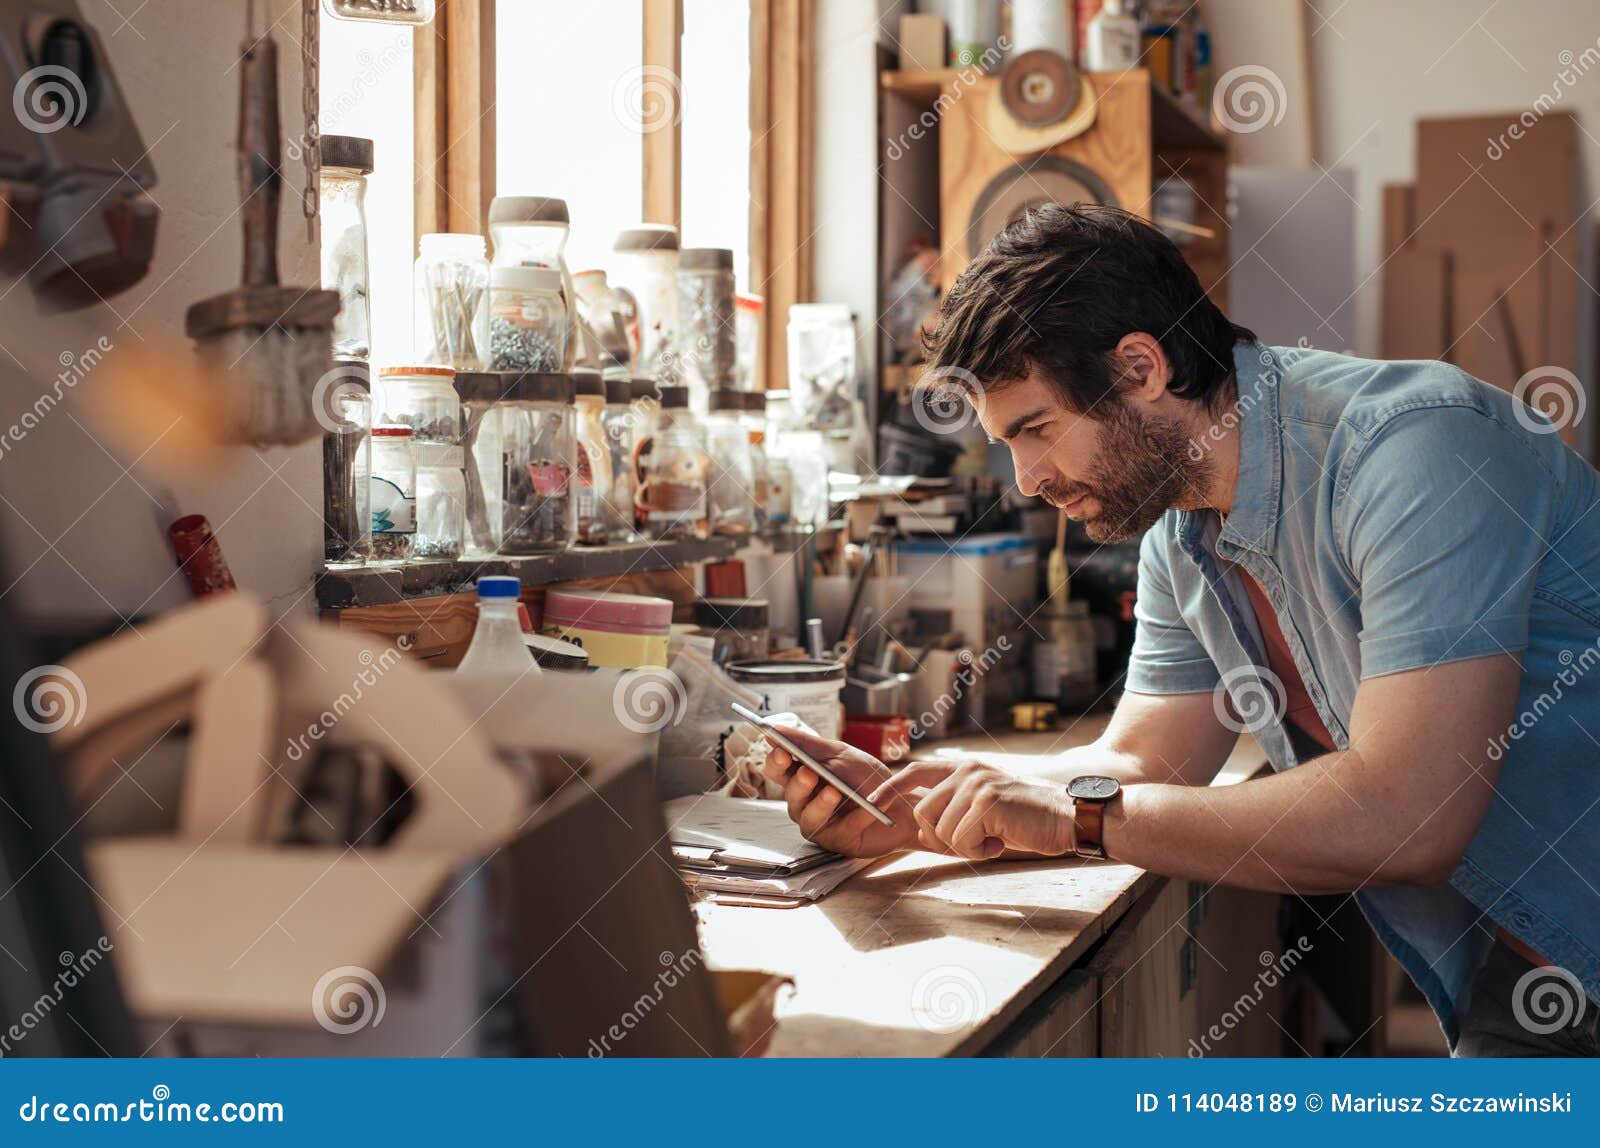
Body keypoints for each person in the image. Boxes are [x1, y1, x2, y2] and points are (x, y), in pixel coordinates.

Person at [764, 203, 1600, 1057]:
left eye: (1037, 430)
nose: (1026, 480)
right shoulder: (1182, 530)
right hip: (1536, 972)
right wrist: (912, 805)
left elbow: (1410, 814)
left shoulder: (1415, 452)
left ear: (1139, 368)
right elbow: (1139, 764)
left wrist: (1083, 821)